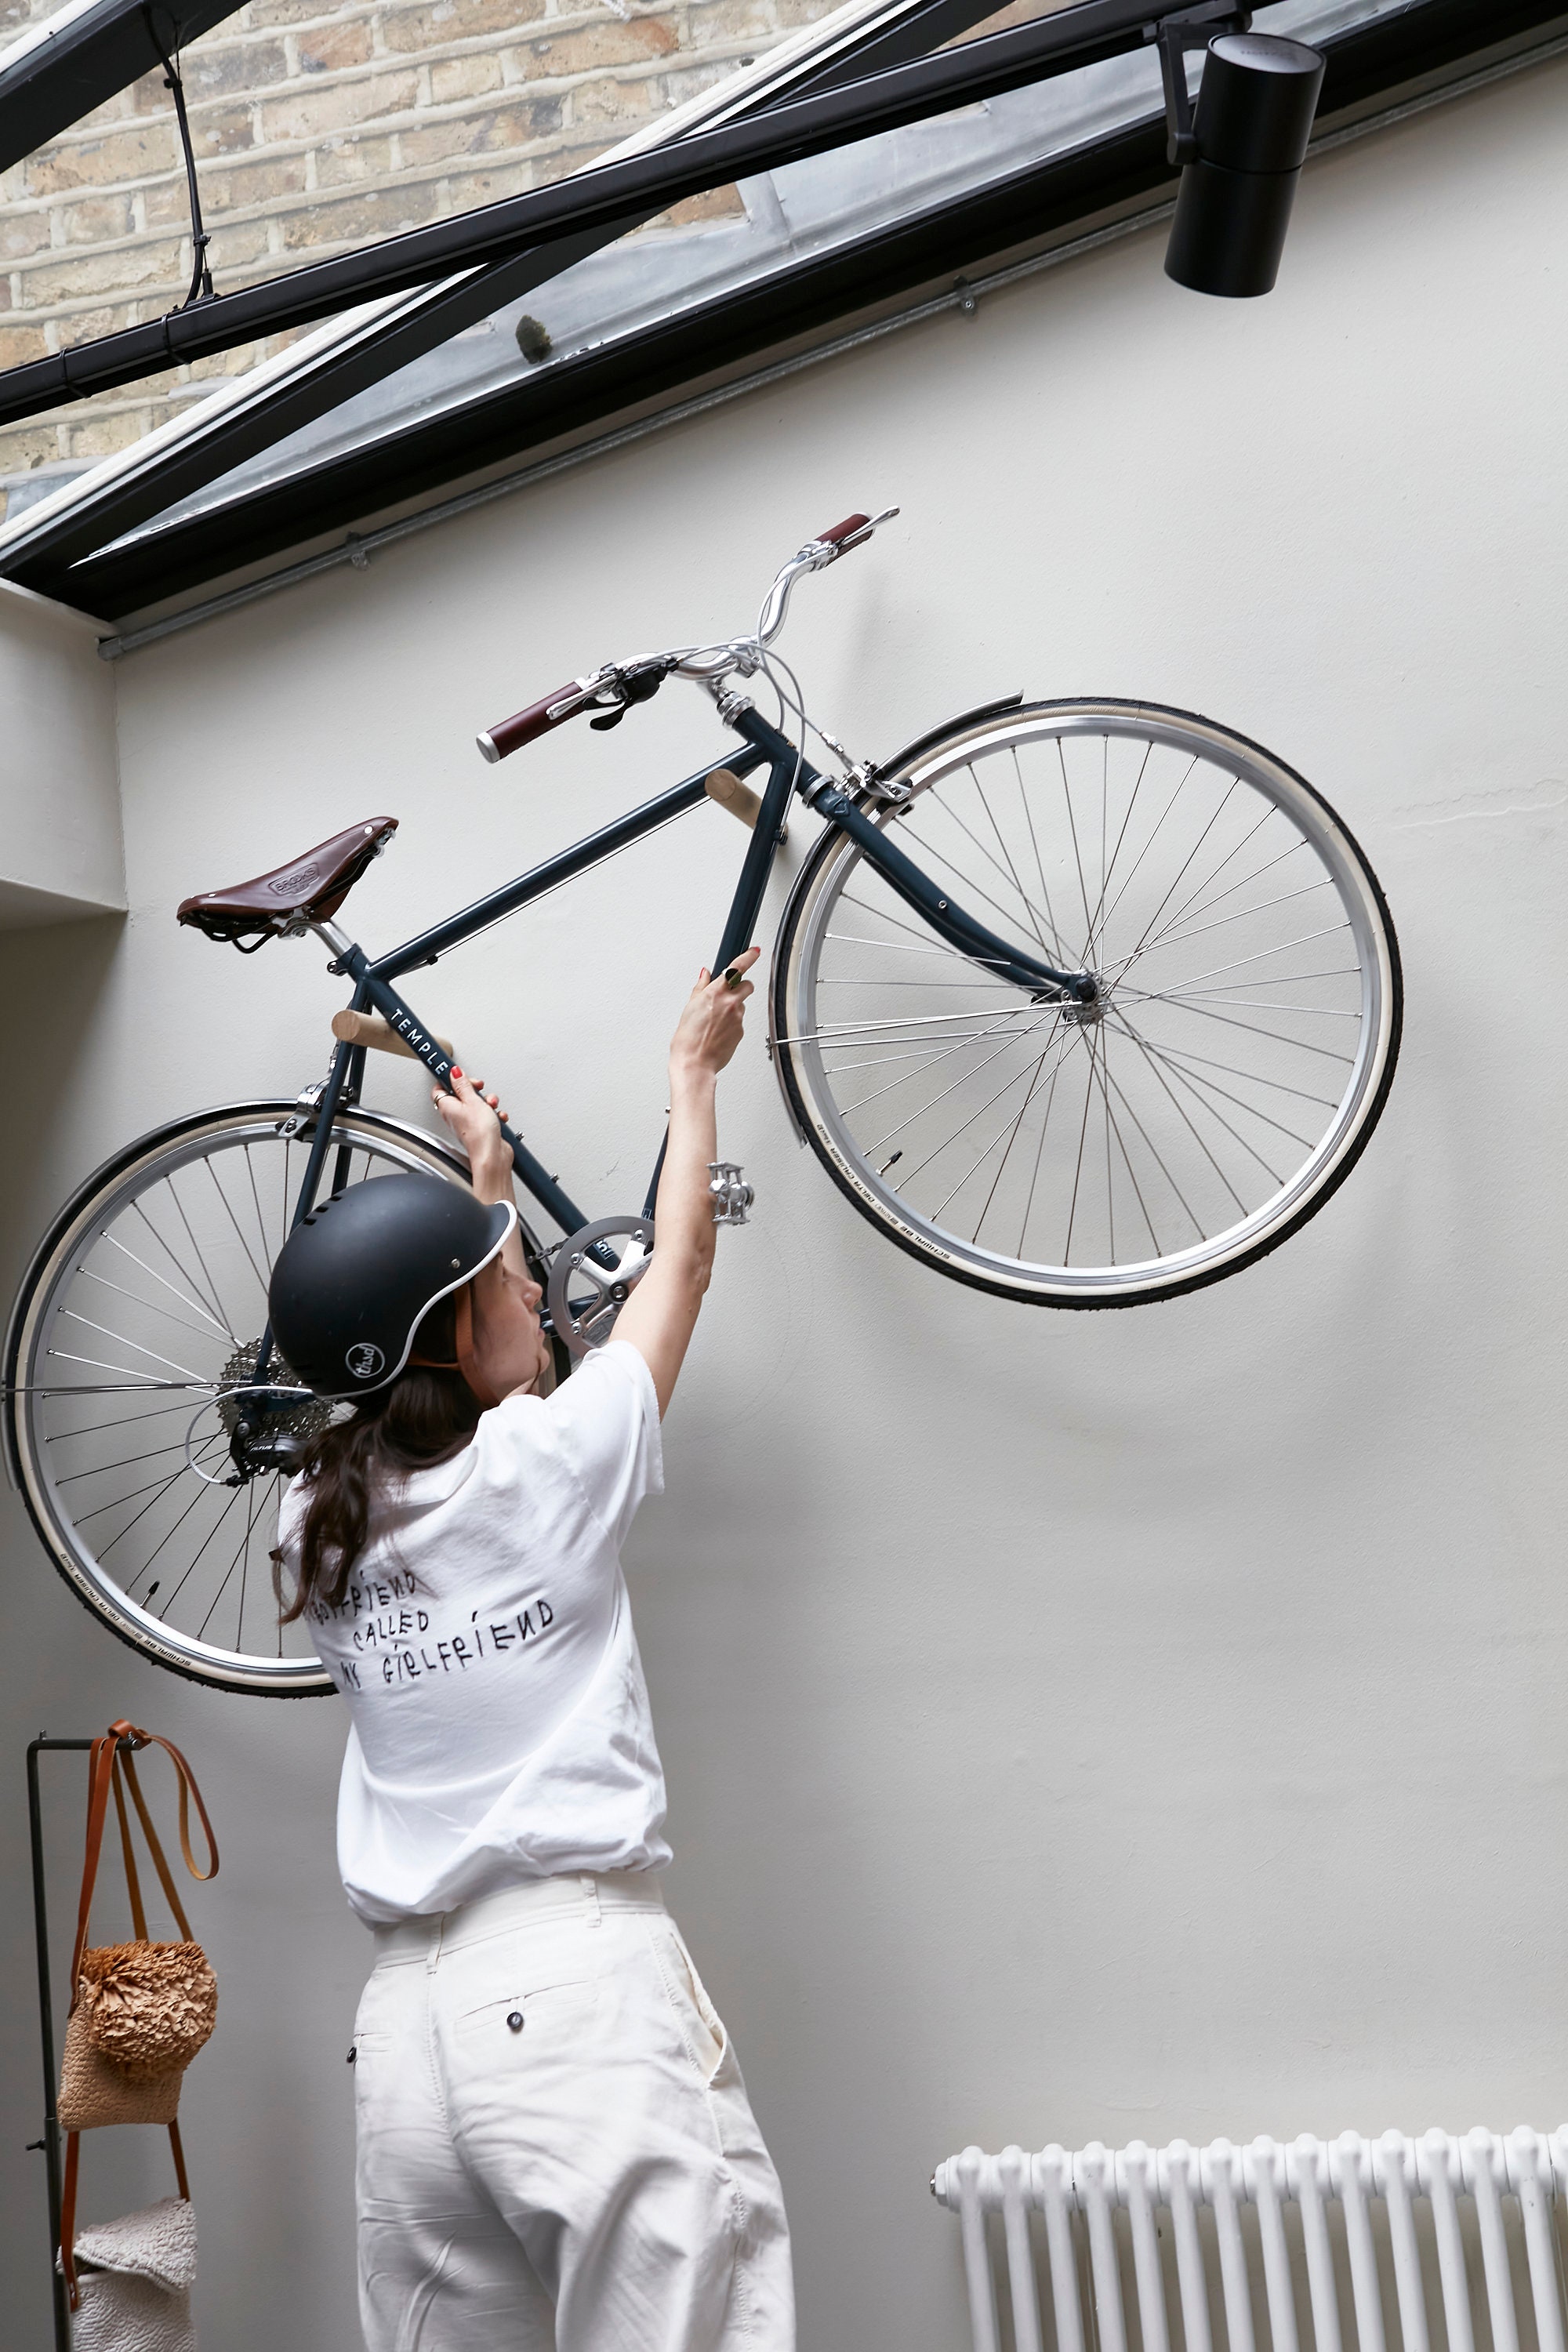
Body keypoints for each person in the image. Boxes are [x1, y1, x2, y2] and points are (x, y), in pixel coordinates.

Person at [267, 946, 793, 2352]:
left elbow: (444, 1387)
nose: (539, 1299)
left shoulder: (311, 1522)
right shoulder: (551, 1467)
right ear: (453, 1335)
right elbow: (682, 1262)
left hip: (408, 2046)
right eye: (507, 1288)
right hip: (575, 1999)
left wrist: (482, 1188)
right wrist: (692, 1073)